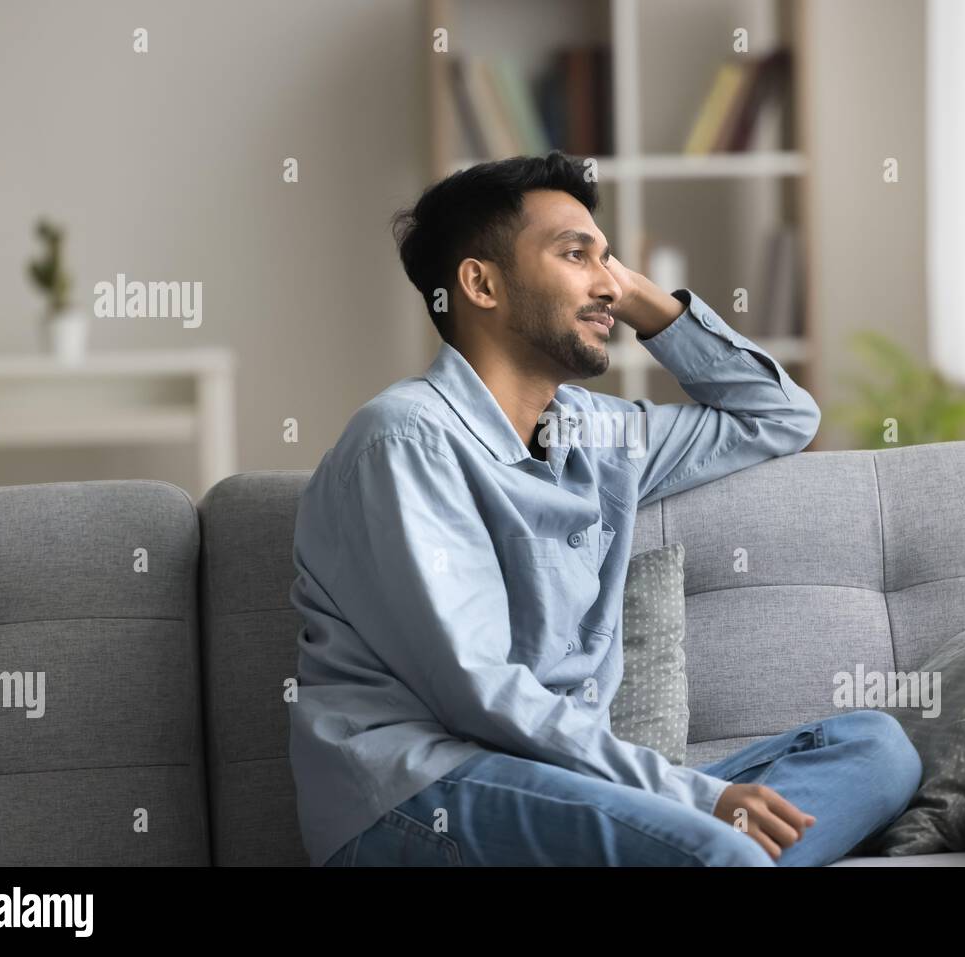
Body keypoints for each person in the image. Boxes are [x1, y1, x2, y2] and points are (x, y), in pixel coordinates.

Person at [288, 150, 921, 867]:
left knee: (877, 748)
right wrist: (697, 799)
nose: (606, 287)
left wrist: (641, 295)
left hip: (565, 783)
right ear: (480, 283)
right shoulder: (406, 440)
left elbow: (778, 415)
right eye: (575, 255)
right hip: (418, 792)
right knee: (727, 849)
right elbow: (481, 693)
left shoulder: (598, 433)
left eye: (610, 261)